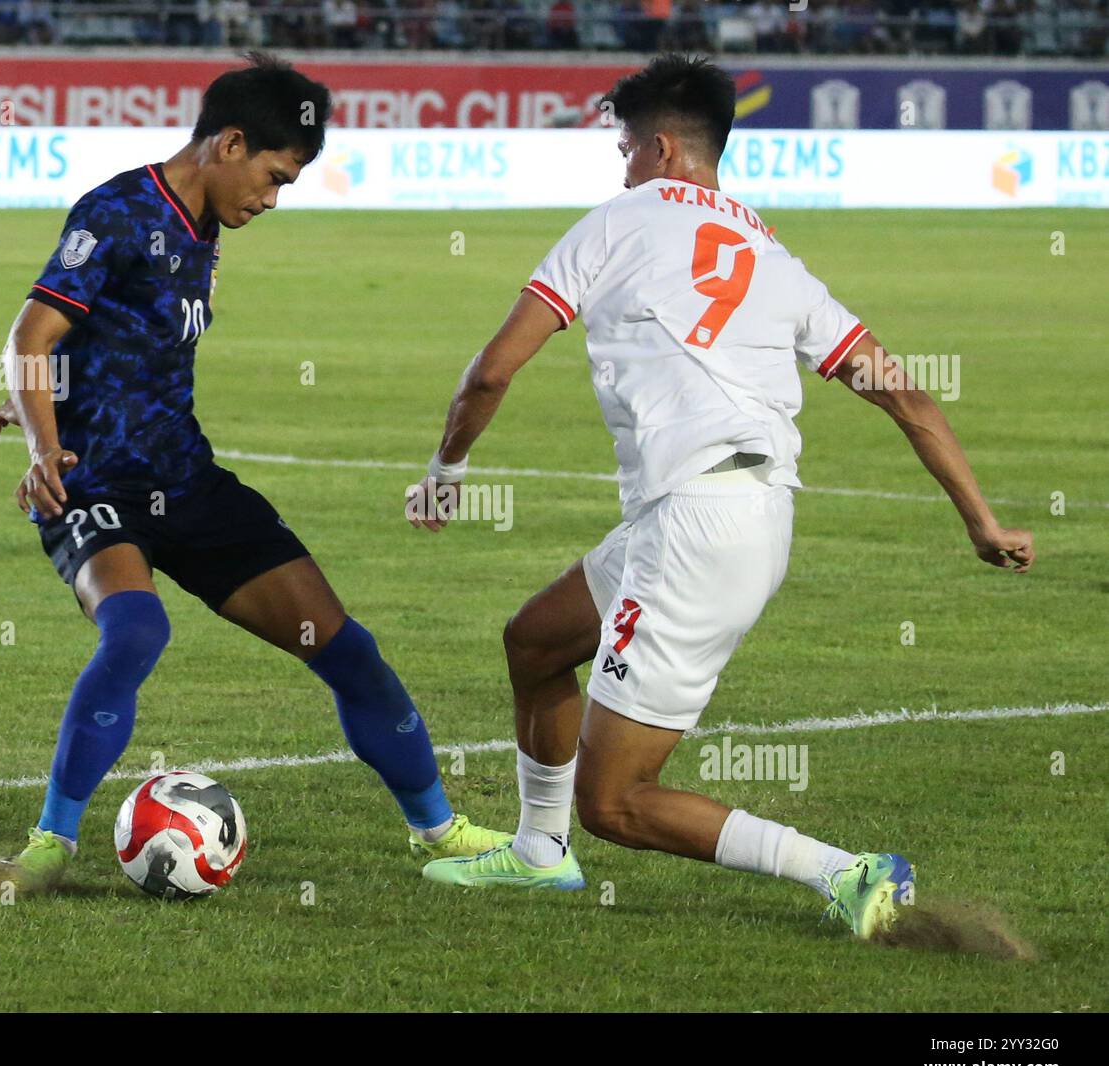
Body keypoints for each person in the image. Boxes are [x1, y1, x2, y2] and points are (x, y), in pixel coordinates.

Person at [411, 54, 1034, 939]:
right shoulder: (775, 259)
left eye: (626, 148)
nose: (623, 166)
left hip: (695, 529)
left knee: (616, 801)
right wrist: (983, 522)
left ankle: (846, 871)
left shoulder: (616, 221)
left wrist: (446, 474)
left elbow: (491, 372)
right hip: (735, 511)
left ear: (660, 147)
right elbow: (908, 396)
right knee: (536, 643)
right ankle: (538, 854)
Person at [0, 55, 509, 892]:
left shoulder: (206, 230)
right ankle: (51, 841)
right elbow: (32, 335)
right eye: (273, 178)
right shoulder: (119, 210)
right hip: (91, 484)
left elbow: (112, 347)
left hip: (187, 480)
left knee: (346, 648)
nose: (271, 200)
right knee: (137, 633)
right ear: (229, 143)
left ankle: (437, 829)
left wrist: (42, 398)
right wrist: (44, 444)